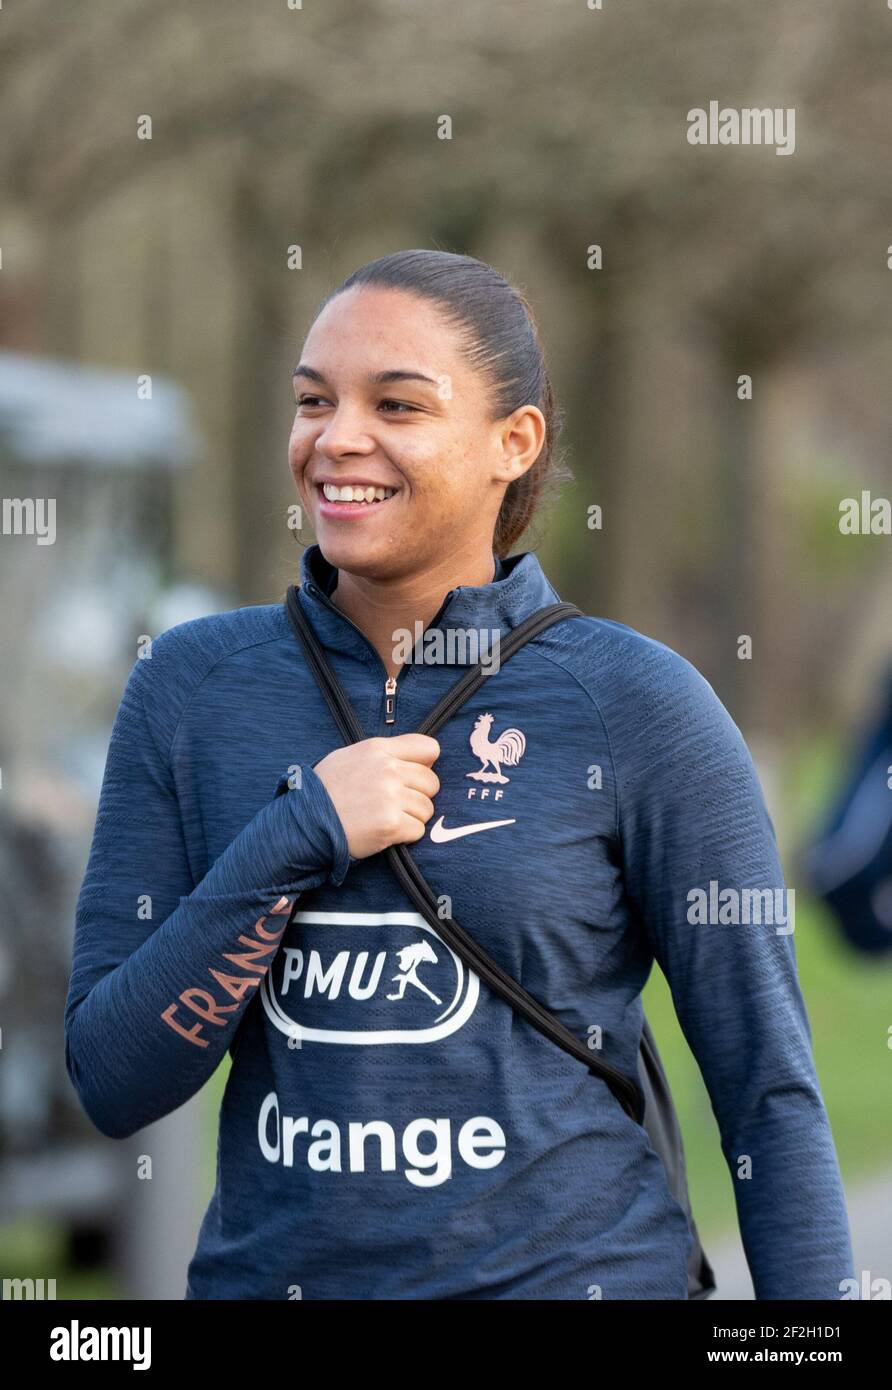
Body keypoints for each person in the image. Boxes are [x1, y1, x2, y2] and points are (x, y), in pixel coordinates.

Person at [64, 248, 854, 1300]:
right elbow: (113, 1078)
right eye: (313, 401)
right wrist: (298, 833)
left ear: (511, 443)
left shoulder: (638, 704)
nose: (337, 438)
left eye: (397, 404)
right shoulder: (193, 688)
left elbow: (766, 1090)